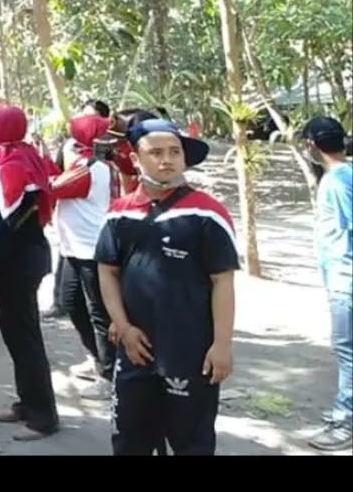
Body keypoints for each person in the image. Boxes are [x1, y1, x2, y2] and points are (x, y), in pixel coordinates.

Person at [95, 118, 237, 456]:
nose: (166, 159)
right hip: (134, 351)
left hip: (190, 352)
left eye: (174, 152)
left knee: (192, 443)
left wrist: (222, 345)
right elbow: (107, 271)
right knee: (130, 439)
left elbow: (223, 282)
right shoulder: (119, 214)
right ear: (135, 157)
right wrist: (124, 327)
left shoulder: (207, 213)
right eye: (155, 152)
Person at [0, 106, 60, 441]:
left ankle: (43, 416)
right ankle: (28, 402)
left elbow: (3, 224)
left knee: (25, 339)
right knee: (18, 336)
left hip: (16, 264)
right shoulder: (22, 156)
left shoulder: (11, 167)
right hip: (23, 259)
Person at [51, 113, 118, 401]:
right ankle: (96, 357)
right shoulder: (86, 164)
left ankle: (108, 375)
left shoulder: (92, 168)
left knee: (98, 313)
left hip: (90, 250)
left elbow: (53, 188)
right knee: (71, 303)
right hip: (72, 248)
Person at [300, 116, 352, 452]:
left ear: (311, 145)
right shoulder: (341, 176)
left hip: (346, 279)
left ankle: (344, 420)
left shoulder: (336, 182)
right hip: (340, 276)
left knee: (348, 351)